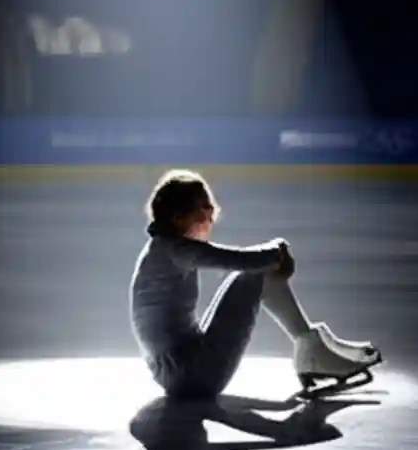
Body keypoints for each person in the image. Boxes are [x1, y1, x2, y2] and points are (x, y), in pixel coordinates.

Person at [129, 169, 381, 400]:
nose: (211, 219)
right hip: (192, 376)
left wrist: (273, 255)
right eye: (204, 211)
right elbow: (239, 260)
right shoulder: (176, 250)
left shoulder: (161, 248)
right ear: (178, 217)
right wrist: (279, 250)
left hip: (178, 372)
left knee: (249, 275)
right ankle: (313, 352)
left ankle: (316, 345)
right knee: (254, 274)